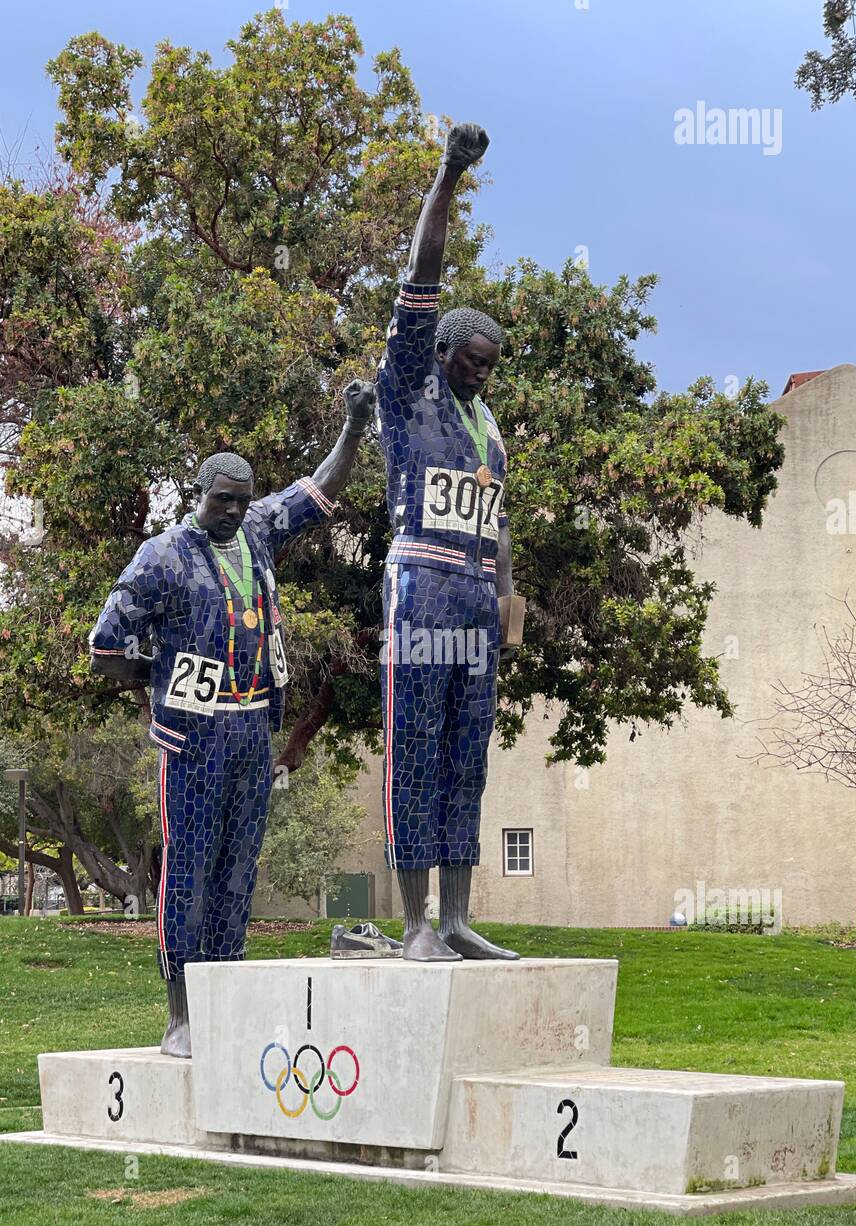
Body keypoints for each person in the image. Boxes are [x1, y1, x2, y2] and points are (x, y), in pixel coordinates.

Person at [89, 381, 375, 1054]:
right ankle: (181, 1015)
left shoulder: (259, 531)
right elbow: (105, 646)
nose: (235, 511)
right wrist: (162, 679)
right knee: (187, 873)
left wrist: (355, 427)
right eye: (224, 500)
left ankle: (225, 1003)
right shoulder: (162, 555)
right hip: (194, 736)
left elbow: (320, 489)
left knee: (238, 873)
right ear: (199, 493)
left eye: (244, 501)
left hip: (253, 729)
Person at [375, 122, 519, 963]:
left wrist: (506, 598)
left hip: (474, 596)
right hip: (419, 591)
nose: (479, 374)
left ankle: (459, 917)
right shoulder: (408, 393)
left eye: (489, 366)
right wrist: (448, 176)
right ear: (440, 352)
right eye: (469, 362)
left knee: (468, 756)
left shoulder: (488, 424)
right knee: (416, 750)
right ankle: (416, 924)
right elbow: (420, 280)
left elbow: (497, 518)